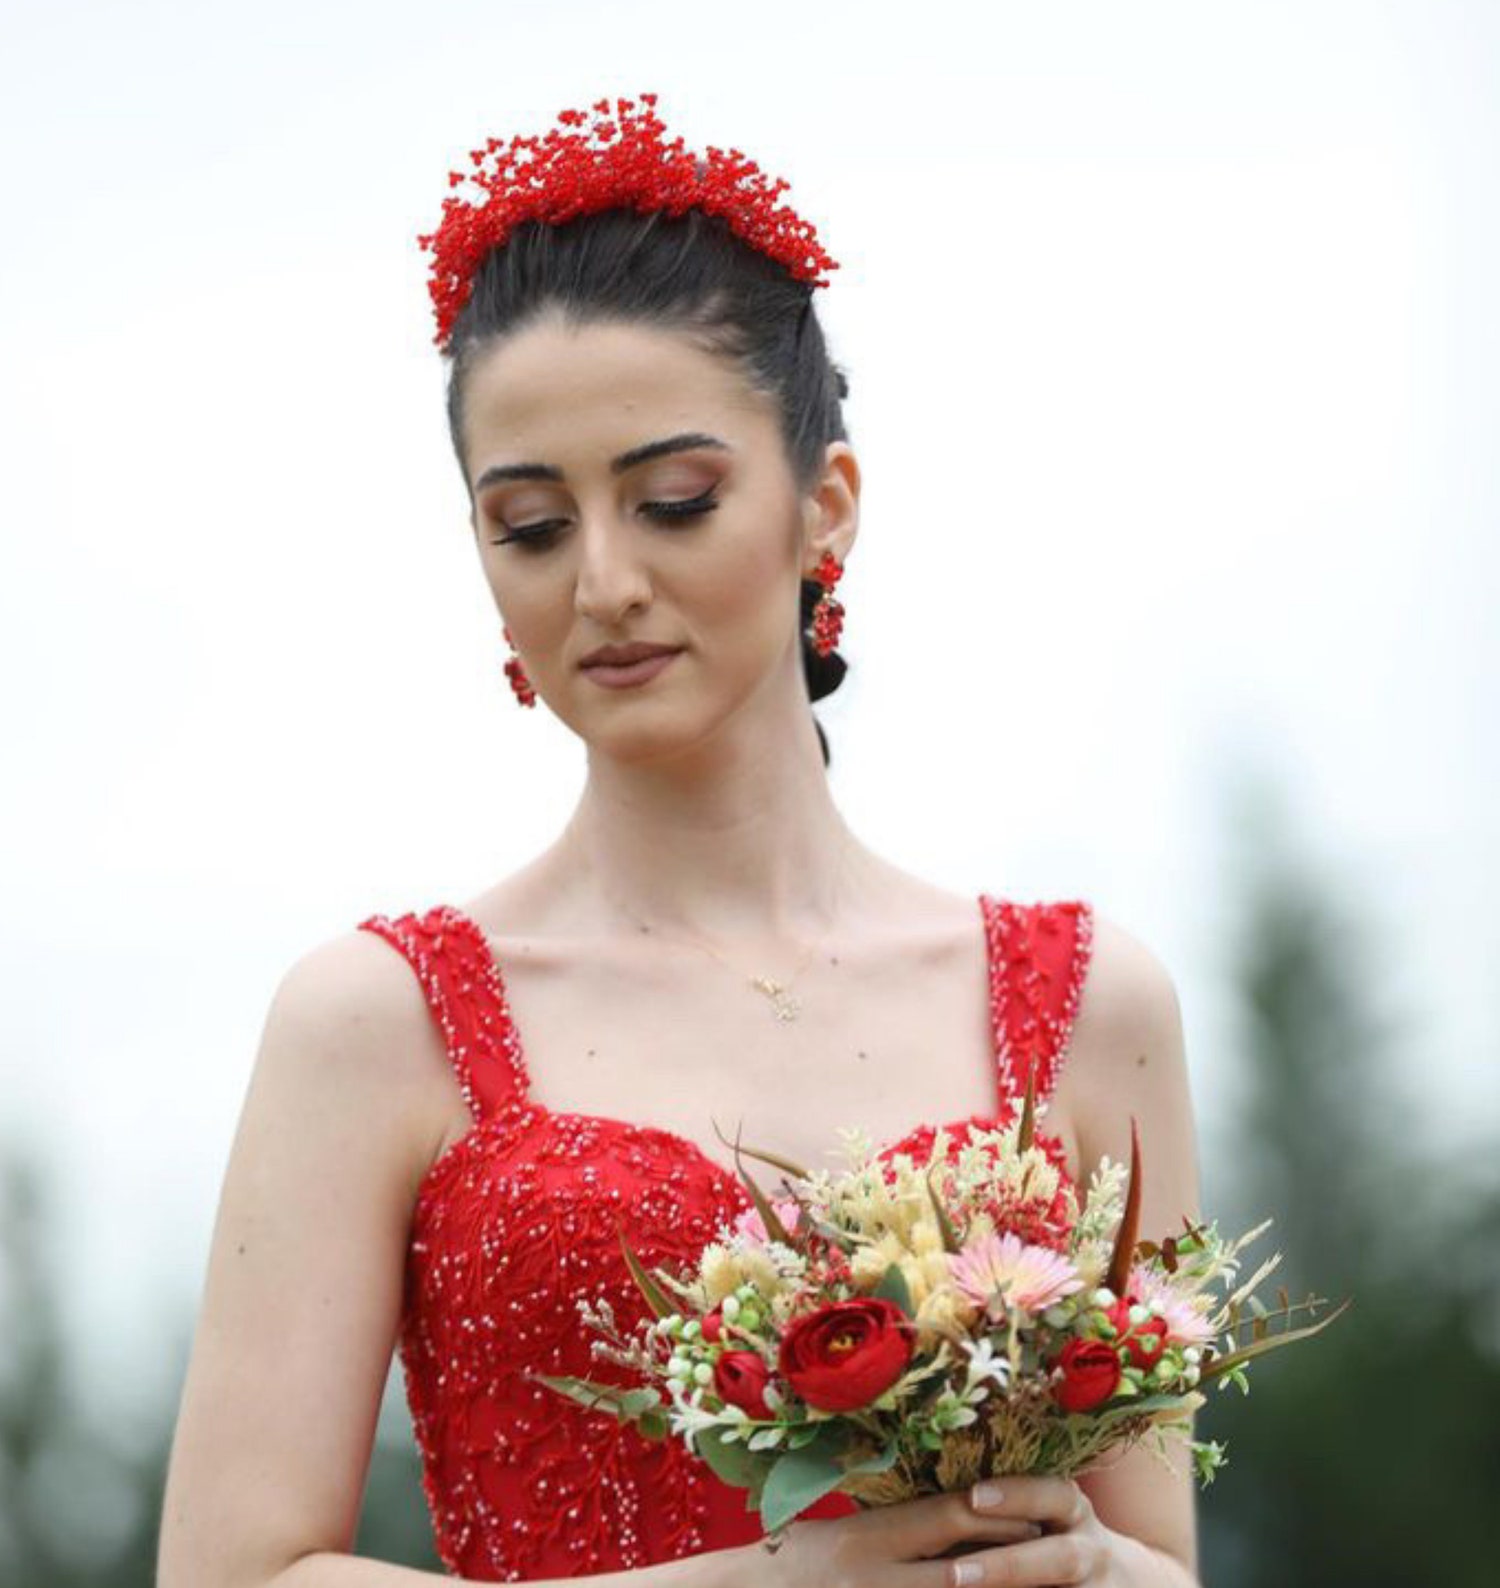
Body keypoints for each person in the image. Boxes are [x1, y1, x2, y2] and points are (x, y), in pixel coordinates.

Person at [157, 94, 1205, 1588]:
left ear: (823, 508)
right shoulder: (374, 1022)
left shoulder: (1093, 1006)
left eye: (672, 502)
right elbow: (228, 1575)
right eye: (529, 526)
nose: (604, 583)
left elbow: (1160, 1555)